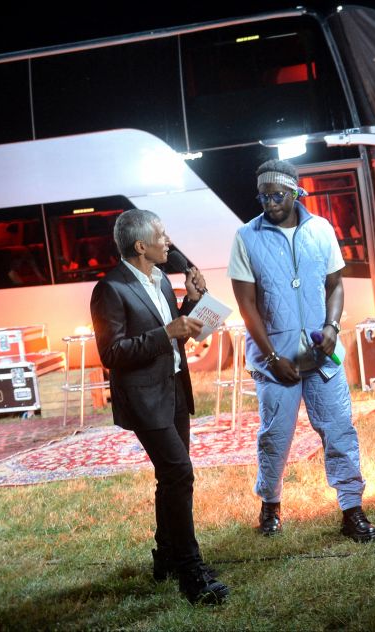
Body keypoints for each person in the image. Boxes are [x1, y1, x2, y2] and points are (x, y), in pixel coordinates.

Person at [229, 159, 375, 542]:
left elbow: (336, 285)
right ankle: (271, 503)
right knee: (275, 437)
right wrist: (272, 357)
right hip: (274, 359)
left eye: (277, 195)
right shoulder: (247, 237)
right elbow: (246, 306)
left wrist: (331, 327)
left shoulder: (321, 229)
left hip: (321, 355)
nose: (269, 204)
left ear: (297, 192)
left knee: (339, 430)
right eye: (263, 197)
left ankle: (352, 509)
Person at [90, 209, 230, 605]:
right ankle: (191, 573)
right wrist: (167, 330)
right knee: (179, 473)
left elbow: (173, 337)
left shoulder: (160, 282)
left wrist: (192, 305)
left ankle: (166, 557)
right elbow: (112, 353)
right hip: (143, 399)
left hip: (173, 391)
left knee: (170, 478)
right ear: (140, 246)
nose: (168, 241)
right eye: (162, 235)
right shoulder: (110, 290)